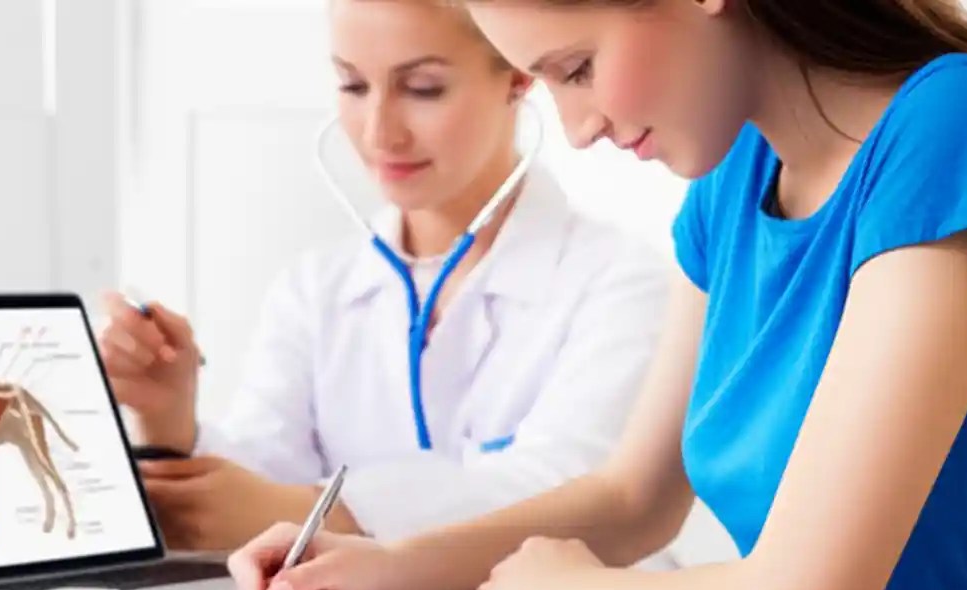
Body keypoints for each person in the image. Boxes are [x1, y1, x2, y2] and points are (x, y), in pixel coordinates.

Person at [227, 1, 967, 590]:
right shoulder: (733, 180)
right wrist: (394, 567)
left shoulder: (955, 127)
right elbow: (632, 499)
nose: (576, 130)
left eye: (578, 69)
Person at [98, 0, 668, 552]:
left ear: (518, 77)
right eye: (352, 85)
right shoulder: (315, 289)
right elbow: (261, 480)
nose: (378, 133)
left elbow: (570, 497)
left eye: (423, 88)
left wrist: (317, 515)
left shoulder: (621, 285)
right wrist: (168, 424)